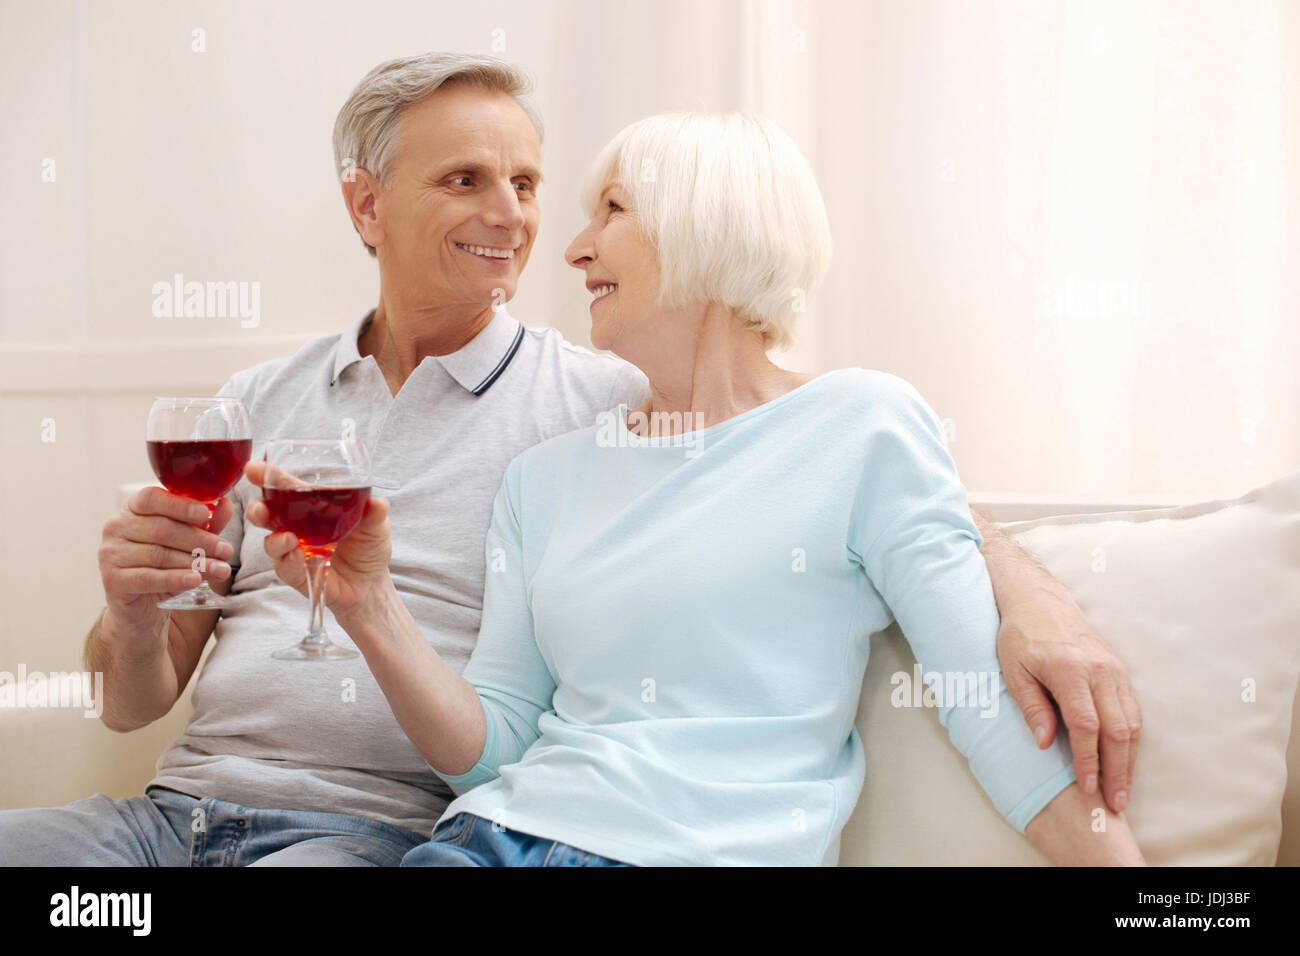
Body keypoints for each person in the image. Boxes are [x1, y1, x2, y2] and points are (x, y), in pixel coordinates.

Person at [0, 53, 1138, 866]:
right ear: (366, 205)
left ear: (703, 223)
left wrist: (1025, 587)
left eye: (540, 188)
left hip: (360, 835)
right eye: (465, 181)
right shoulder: (292, 409)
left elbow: (849, 471)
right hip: (204, 824)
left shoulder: (615, 397)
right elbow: (130, 701)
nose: (536, 229)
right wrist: (135, 613)